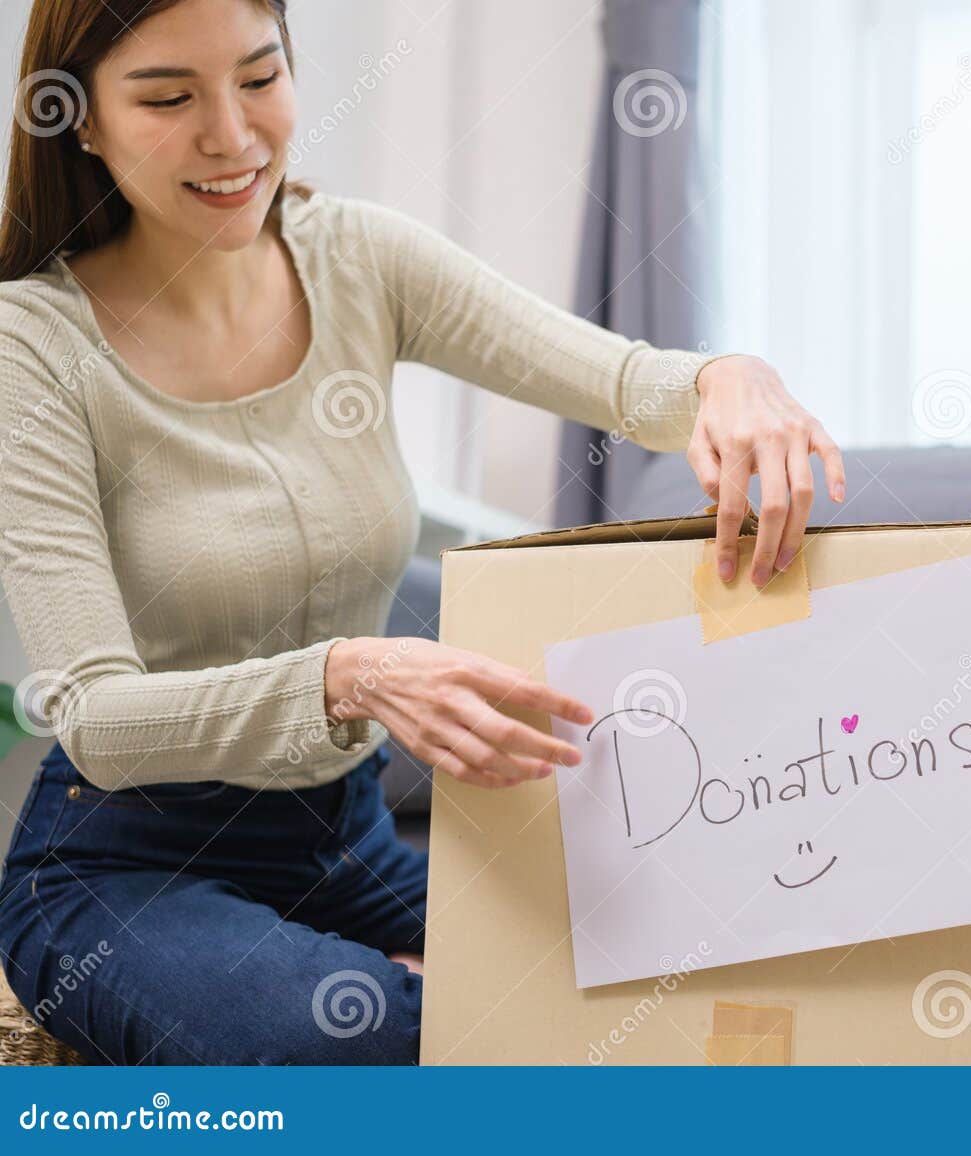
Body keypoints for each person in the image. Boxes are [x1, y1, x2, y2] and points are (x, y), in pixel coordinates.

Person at [0, 0, 844, 1064]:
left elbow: (627, 382)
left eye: (261, 79)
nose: (232, 134)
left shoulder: (357, 259)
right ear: (76, 118)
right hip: (127, 864)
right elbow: (94, 716)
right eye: (169, 98)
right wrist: (346, 677)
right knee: (350, 1036)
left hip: (346, 841)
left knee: (695, 958)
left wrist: (734, 377)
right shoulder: (29, 345)